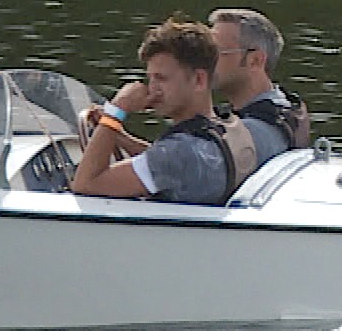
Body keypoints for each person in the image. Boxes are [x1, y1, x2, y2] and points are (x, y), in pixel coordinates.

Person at [70, 17, 265, 206]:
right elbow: (164, 163)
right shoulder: (227, 127)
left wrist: (116, 111)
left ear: (199, 80)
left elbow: (86, 184)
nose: (152, 88)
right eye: (151, 78)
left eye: (161, 78)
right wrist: (119, 137)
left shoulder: (177, 154)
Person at [208, 7, 312, 150]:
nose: (205, 60)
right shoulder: (287, 108)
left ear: (255, 60)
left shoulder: (257, 132)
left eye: (215, 51)